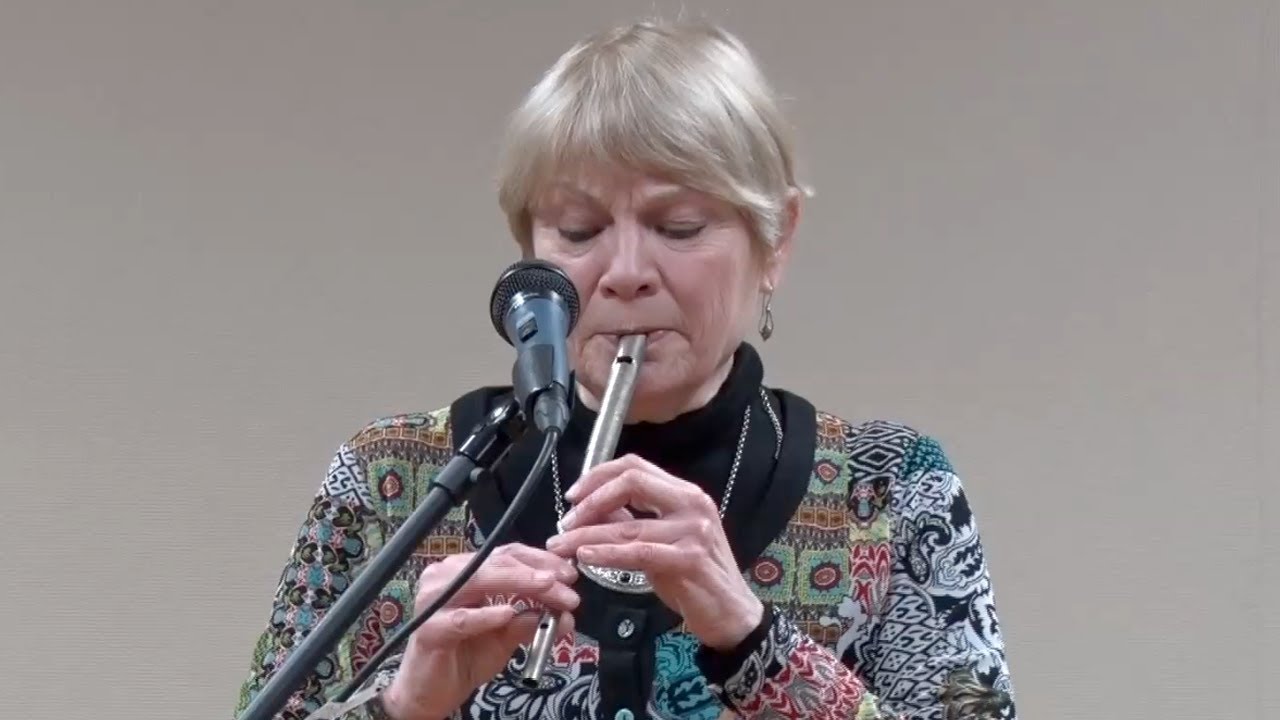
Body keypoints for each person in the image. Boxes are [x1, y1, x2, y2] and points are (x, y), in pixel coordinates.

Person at [233, 18, 1017, 720]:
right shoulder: (392, 482)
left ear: (775, 240)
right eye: (579, 229)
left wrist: (753, 642)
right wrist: (407, 705)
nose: (626, 272)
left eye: (679, 225)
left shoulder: (887, 490)